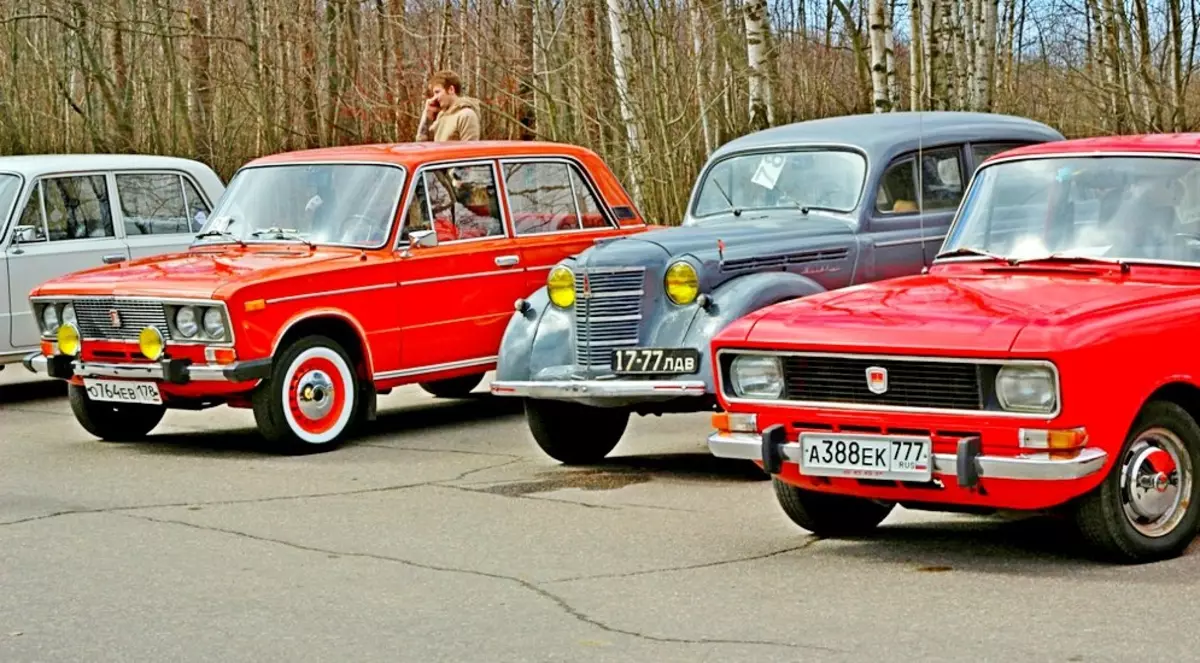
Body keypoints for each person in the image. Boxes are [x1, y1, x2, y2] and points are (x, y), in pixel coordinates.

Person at [415, 70, 482, 142]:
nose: (435, 98)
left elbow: (471, 150)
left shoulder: (466, 115)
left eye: (437, 92)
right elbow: (424, 145)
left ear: (451, 89)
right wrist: (427, 117)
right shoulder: (441, 115)